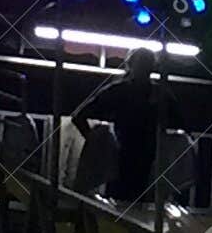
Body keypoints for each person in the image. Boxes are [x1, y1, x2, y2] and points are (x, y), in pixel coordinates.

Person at [71, 50, 180, 204]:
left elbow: (179, 121)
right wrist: (98, 144)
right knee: (126, 204)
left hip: (146, 161)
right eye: (142, 65)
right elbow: (79, 116)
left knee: (131, 206)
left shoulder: (155, 93)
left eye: (146, 65)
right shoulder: (124, 91)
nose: (144, 69)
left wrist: (95, 142)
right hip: (126, 158)